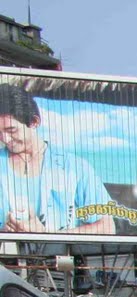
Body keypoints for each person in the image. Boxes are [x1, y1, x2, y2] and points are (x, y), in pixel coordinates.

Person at [0, 86, 115, 236]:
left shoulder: (75, 167)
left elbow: (107, 227)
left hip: (60, 258)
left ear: (34, 122)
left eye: (11, 130)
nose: (5, 139)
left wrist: (49, 236)